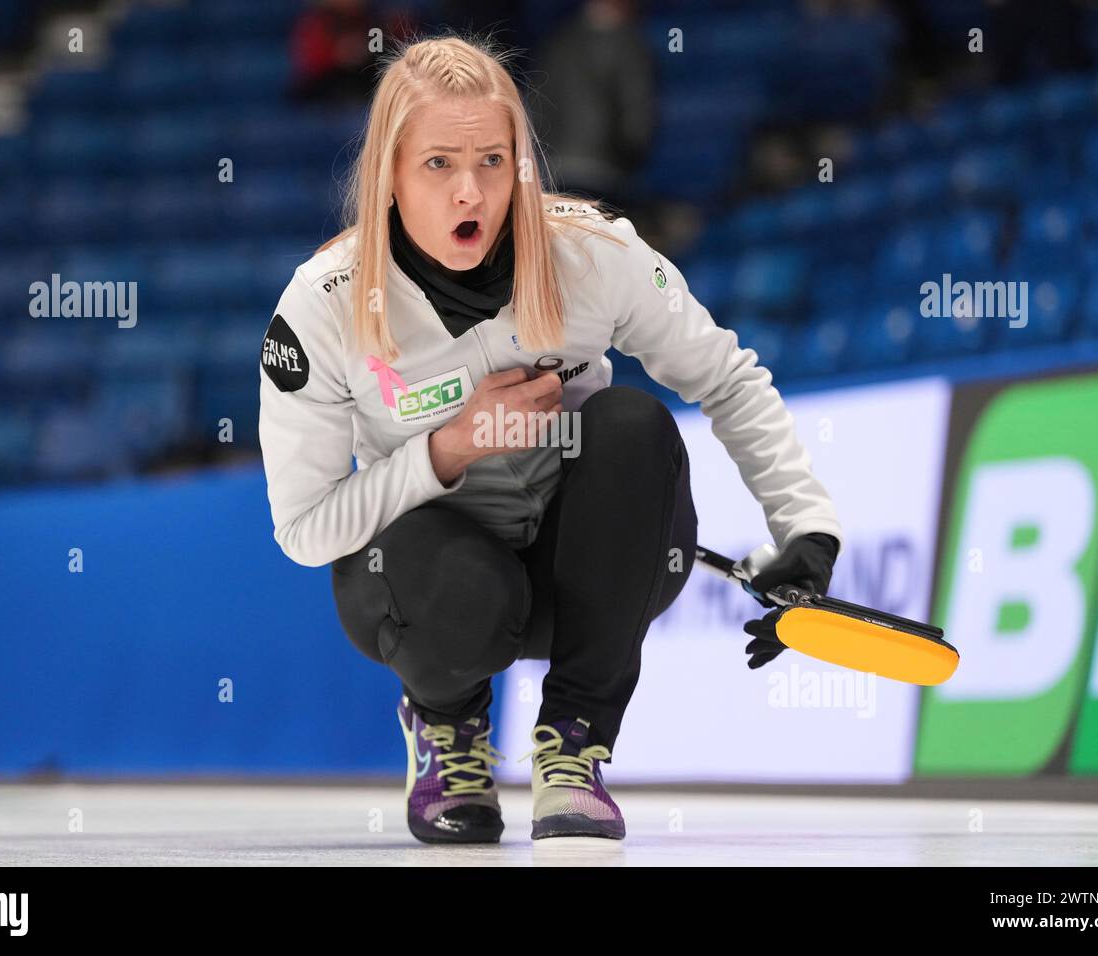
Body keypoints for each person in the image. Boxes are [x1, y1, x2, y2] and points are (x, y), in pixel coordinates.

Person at [258, 35, 843, 844]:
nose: (471, 191)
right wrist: (450, 448)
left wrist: (805, 525)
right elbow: (303, 528)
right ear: (389, 173)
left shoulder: (593, 254)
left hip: (576, 574)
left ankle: (575, 745)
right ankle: (446, 721)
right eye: (438, 164)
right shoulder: (322, 305)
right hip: (432, 582)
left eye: (492, 161)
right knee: (466, 595)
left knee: (633, 423)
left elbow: (727, 378)